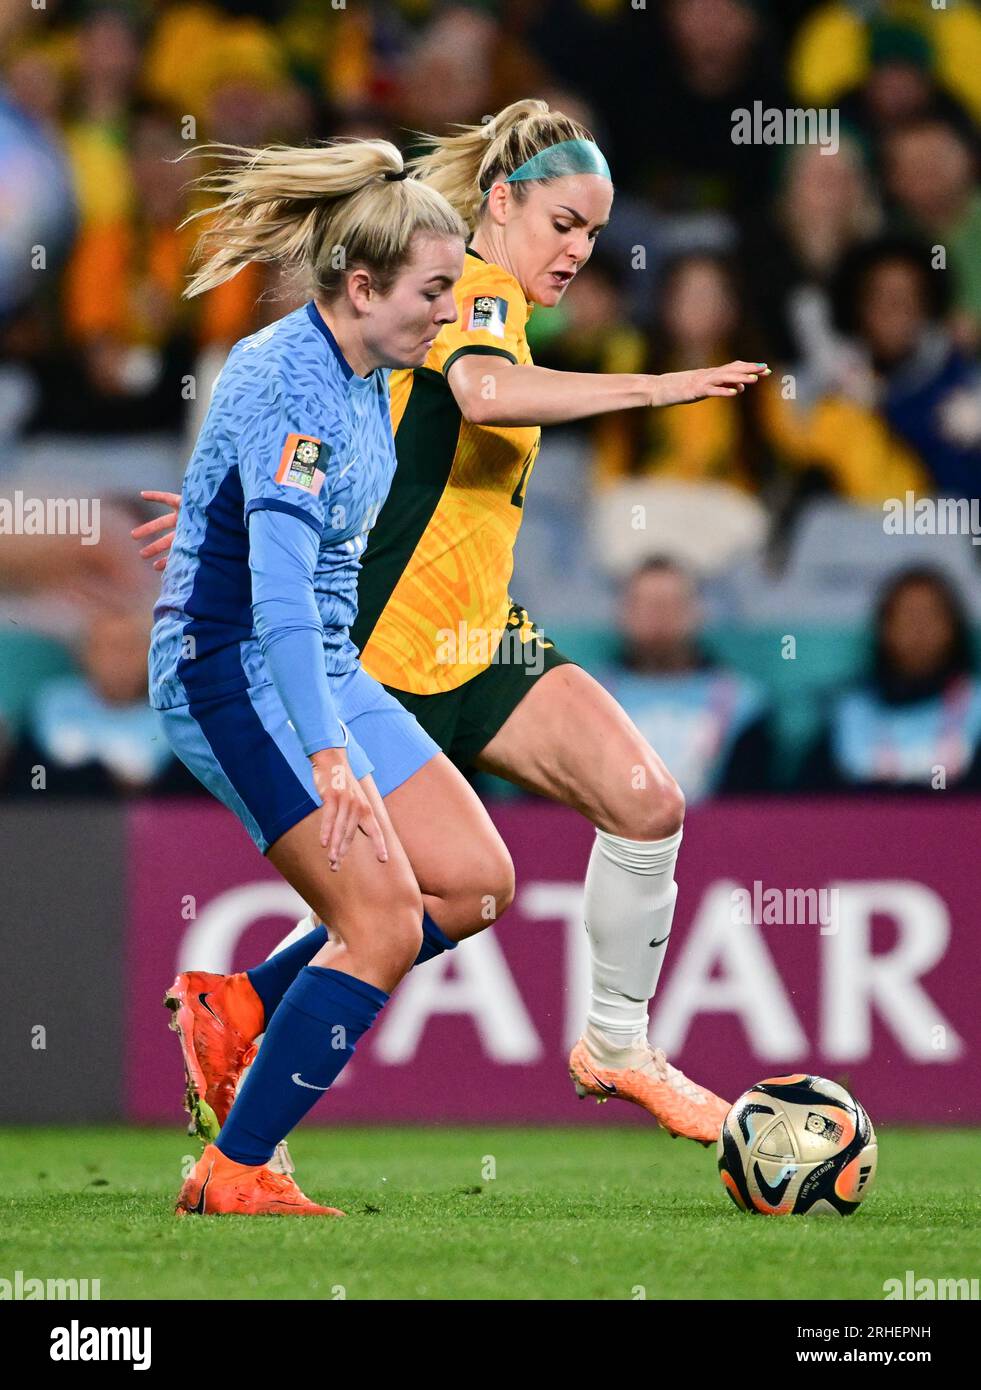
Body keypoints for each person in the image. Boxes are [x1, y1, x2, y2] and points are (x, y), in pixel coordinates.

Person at [137, 99, 770, 1154]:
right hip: (385, 644)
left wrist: (232, 514)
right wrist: (658, 385)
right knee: (422, 902)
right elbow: (479, 395)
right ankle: (245, 1093)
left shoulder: (470, 299)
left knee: (646, 804)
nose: (579, 250)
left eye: (596, 235)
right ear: (504, 202)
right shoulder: (465, 294)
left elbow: (339, 425)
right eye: (564, 223)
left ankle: (614, 1044)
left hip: (480, 638)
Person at [148, 136, 525, 1216]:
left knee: (476, 880)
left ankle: (243, 1003)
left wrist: (217, 507)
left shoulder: (369, 370)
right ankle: (236, 1170)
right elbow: (269, 602)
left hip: (315, 660)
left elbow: (292, 527)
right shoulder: (297, 380)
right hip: (232, 674)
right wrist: (328, 754)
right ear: (362, 288)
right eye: (436, 292)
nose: (452, 314)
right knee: (384, 926)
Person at [799, 567, 981, 794]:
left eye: (931, 616)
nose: (919, 630)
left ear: (953, 627)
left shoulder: (976, 707)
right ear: (884, 628)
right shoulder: (850, 714)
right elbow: (806, 807)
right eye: (907, 616)